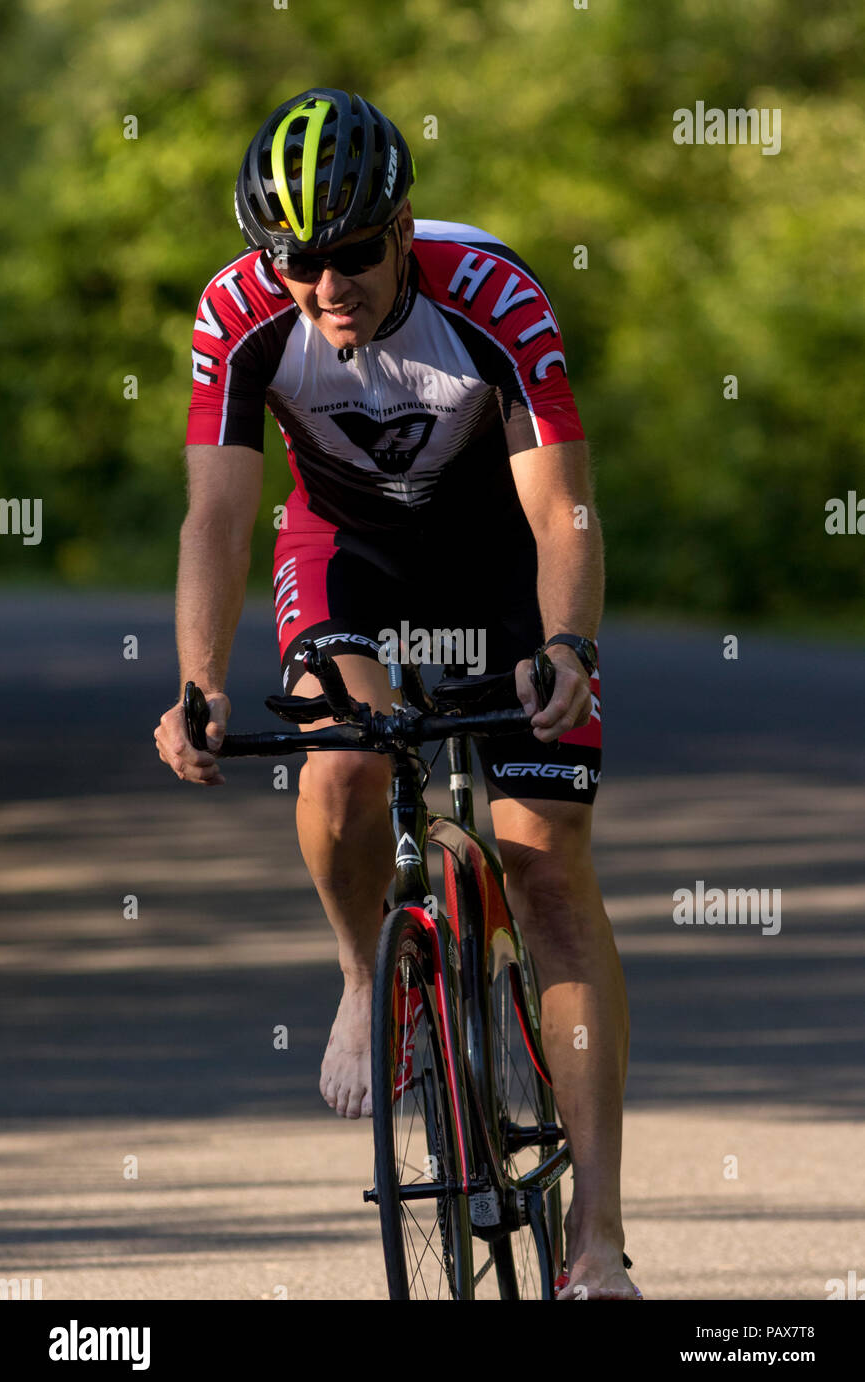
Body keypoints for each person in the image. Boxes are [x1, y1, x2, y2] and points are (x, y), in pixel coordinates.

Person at [154, 88, 641, 1300]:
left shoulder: (494, 295)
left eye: (353, 256)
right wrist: (199, 683)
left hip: (500, 559)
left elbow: (560, 505)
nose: (326, 286)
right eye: (297, 262)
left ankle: (596, 1237)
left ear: (402, 227)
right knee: (343, 763)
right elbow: (218, 513)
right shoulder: (237, 312)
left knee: (541, 863)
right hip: (346, 554)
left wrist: (569, 645)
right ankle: (362, 977)